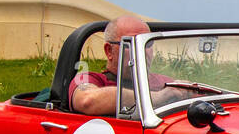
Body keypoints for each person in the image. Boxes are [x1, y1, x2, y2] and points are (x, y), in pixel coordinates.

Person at [68, 15, 196, 116]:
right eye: (133, 43)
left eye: (148, 44)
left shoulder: (164, 83)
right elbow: (86, 100)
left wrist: (188, 92)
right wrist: (157, 98)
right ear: (109, 51)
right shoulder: (89, 79)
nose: (144, 51)